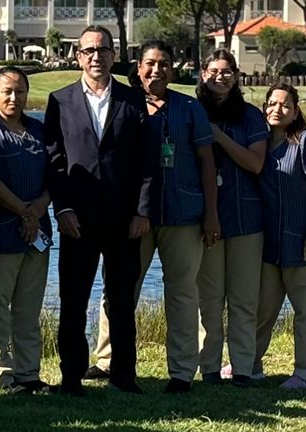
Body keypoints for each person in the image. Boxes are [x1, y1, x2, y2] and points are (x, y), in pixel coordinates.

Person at [93, 42, 216, 393]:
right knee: (118, 289)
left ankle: (181, 371)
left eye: (164, 63)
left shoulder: (190, 108)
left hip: (184, 214)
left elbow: (207, 162)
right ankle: (107, 360)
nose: (156, 70)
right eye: (149, 63)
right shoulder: (122, 104)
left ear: (173, 69)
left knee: (181, 295)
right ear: (138, 67)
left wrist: (212, 215)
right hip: (134, 218)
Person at [44, 26, 152, 393]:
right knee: (73, 300)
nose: (96, 56)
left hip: (124, 219)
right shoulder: (60, 101)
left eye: (103, 49)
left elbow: (146, 161)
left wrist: (142, 211)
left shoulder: (133, 100)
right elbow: (54, 162)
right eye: (89, 50)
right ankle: (71, 376)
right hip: (78, 219)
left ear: (113, 54)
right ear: (78, 56)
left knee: (122, 300)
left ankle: (124, 375)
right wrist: (62, 209)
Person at [0, 66, 53, 392]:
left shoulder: (38, 130)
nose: (13, 97)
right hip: (4, 232)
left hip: (38, 232)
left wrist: (38, 209)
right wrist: (24, 211)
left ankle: (28, 374)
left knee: (28, 308)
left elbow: (55, 174)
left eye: (19, 91)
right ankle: (0, 375)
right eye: (6, 91)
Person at [258, 82, 306, 390]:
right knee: (261, 308)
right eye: (272, 104)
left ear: (296, 111)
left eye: (285, 105)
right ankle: (249, 363)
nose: (277, 109)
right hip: (270, 245)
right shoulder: (261, 142)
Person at [198, 50, 267, 383]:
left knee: (243, 299)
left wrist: (220, 137)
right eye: (214, 71)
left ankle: (243, 367)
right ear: (202, 74)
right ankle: (209, 367)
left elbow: (256, 163)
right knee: (209, 300)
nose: (220, 77)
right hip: (205, 220)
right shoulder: (192, 112)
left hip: (246, 219)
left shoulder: (252, 116)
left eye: (227, 71)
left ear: (237, 76)